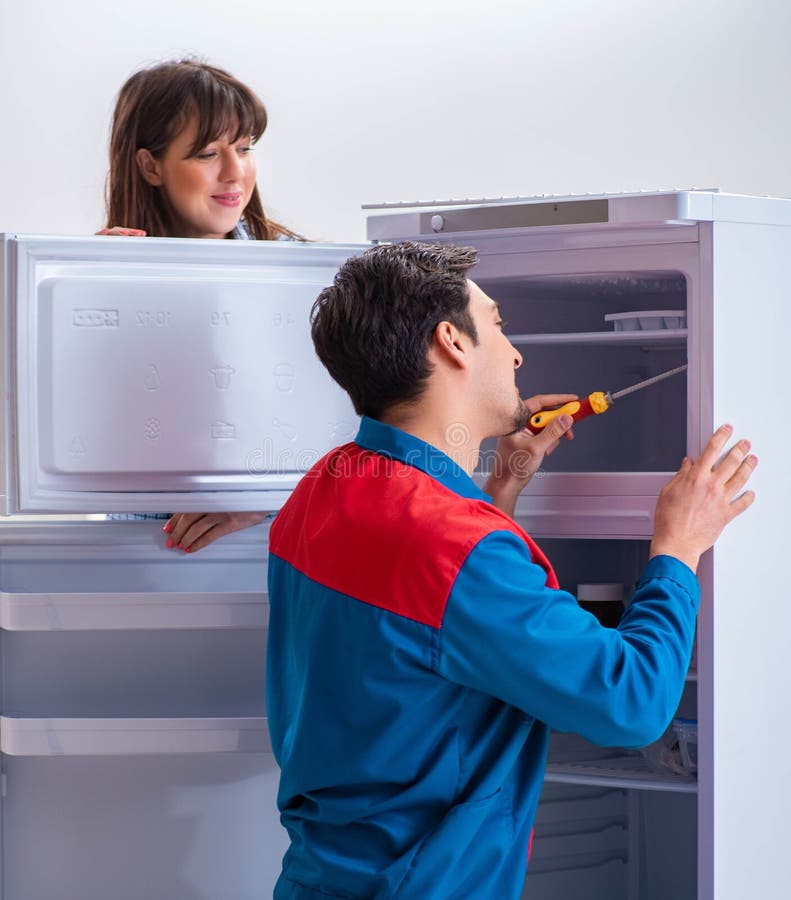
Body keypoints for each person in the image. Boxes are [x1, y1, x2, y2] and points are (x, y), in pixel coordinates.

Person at [265, 241, 756, 899]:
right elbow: (633, 703)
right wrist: (677, 548)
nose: (516, 352)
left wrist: (502, 491)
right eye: (497, 324)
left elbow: (429, 629)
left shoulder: (323, 487)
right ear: (452, 343)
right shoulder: (452, 548)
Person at [99, 58, 300, 550]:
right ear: (150, 166)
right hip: (140, 548)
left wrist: (262, 494)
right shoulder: (101, 275)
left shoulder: (301, 277)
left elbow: (352, 425)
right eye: (209, 153)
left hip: (274, 546)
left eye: (246, 148)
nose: (236, 173)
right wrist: (89, 306)